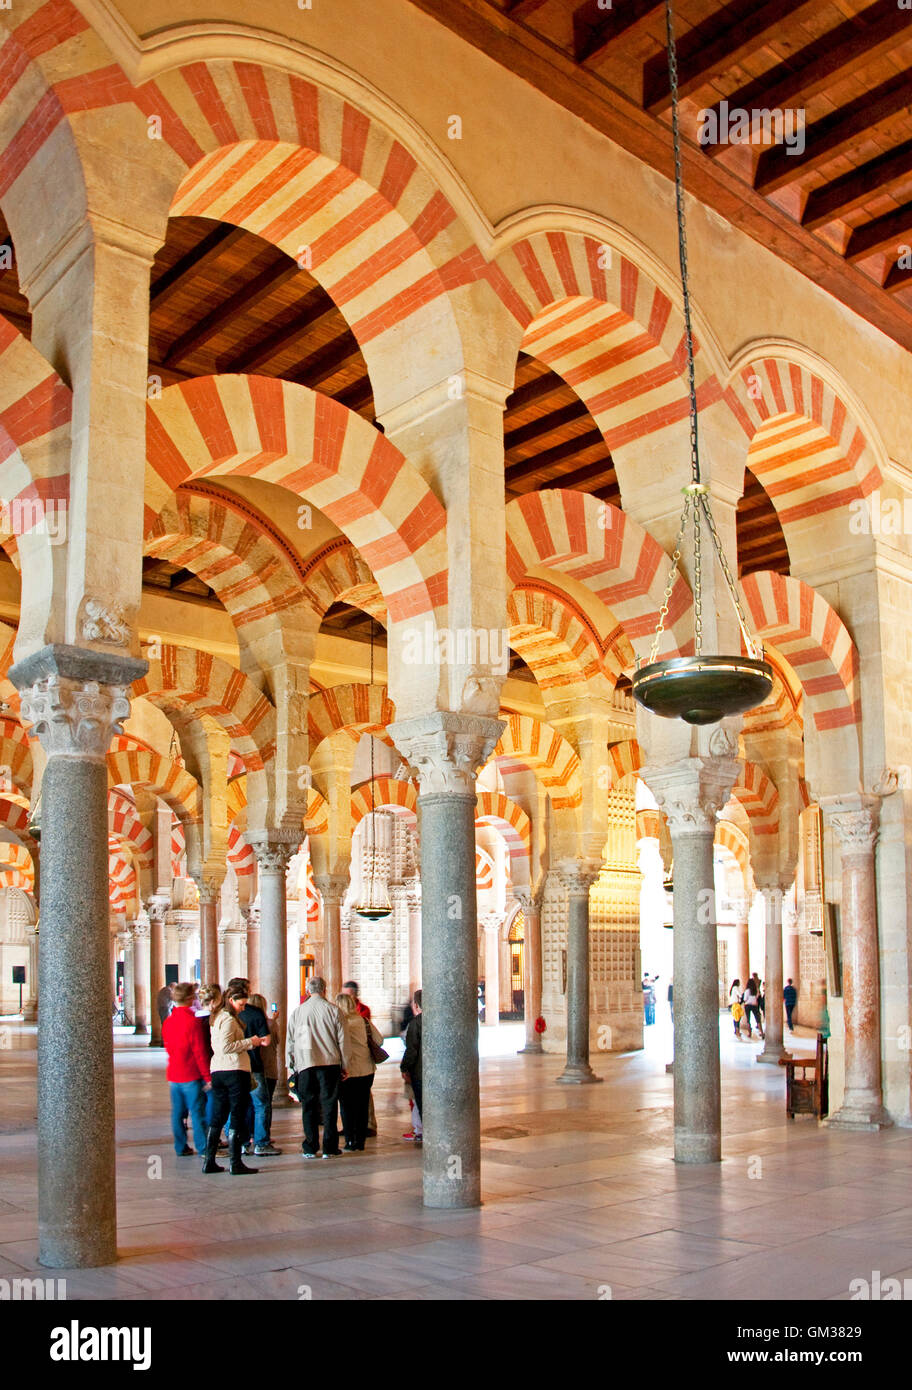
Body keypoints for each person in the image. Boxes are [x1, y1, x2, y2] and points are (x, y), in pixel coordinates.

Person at [202, 983, 268, 1175]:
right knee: (237, 1114)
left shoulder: (217, 1018)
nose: (243, 1007)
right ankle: (235, 1162)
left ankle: (209, 1161)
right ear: (231, 1000)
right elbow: (226, 1047)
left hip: (219, 1070)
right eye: (241, 1003)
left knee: (219, 1115)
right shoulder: (229, 1020)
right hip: (233, 1070)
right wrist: (251, 1042)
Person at [286, 976, 350, 1159]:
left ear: (308, 991)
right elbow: (343, 1041)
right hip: (330, 1064)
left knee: (308, 1105)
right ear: (325, 989)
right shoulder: (333, 1010)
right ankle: (329, 1147)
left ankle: (310, 1146)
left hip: (307, 1064)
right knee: (329, 1105)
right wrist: (345, 1065)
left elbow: (292, 1042)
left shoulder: (299, 1012)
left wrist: (291, 1066)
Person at [161, 982, 211, 1156]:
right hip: (190, 1074)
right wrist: (207, 1076)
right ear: (190, 998)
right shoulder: (192, 1021)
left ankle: (180, 1146)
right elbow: (200, 1052)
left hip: (174, 1073)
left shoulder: (168, 1022)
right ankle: (203, 1147)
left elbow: (168, 1046)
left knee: (177, 1113)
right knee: (198, 1113)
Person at [336, 992, 384, 1151]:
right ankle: (360, 1141)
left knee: (346, 1106)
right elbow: (380, 1040)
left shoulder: (341, 1024)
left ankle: (350, 1140)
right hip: (367, 1069)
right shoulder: (364, 1021)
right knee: (362, 1105)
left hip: (347, 1070)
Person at [247, 992, 282, 1156]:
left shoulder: (244, 1021)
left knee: (251, 1105)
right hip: (267, 1068)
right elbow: (276, 1040)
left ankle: (250, 1137)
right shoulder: (270, 1024)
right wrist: (273, 1021)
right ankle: (263, 1139)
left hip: (250, 1068)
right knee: (264, 1106)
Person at [343, 981, 378, 1137]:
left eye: (347, 994)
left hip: (360, 1061)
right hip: (352, 1063)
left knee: (363, 1097)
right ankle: (351, 1127)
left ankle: (367, 1125)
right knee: (351, 1098)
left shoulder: (362, 1012)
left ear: (354, 995)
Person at [400, 989, 423, 1145]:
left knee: (421, 1103)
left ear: (416, 1004)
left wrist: (404, 1067)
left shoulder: (417, 1023)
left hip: (420, 1072)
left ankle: (423, 1132)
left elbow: (412, 1049)